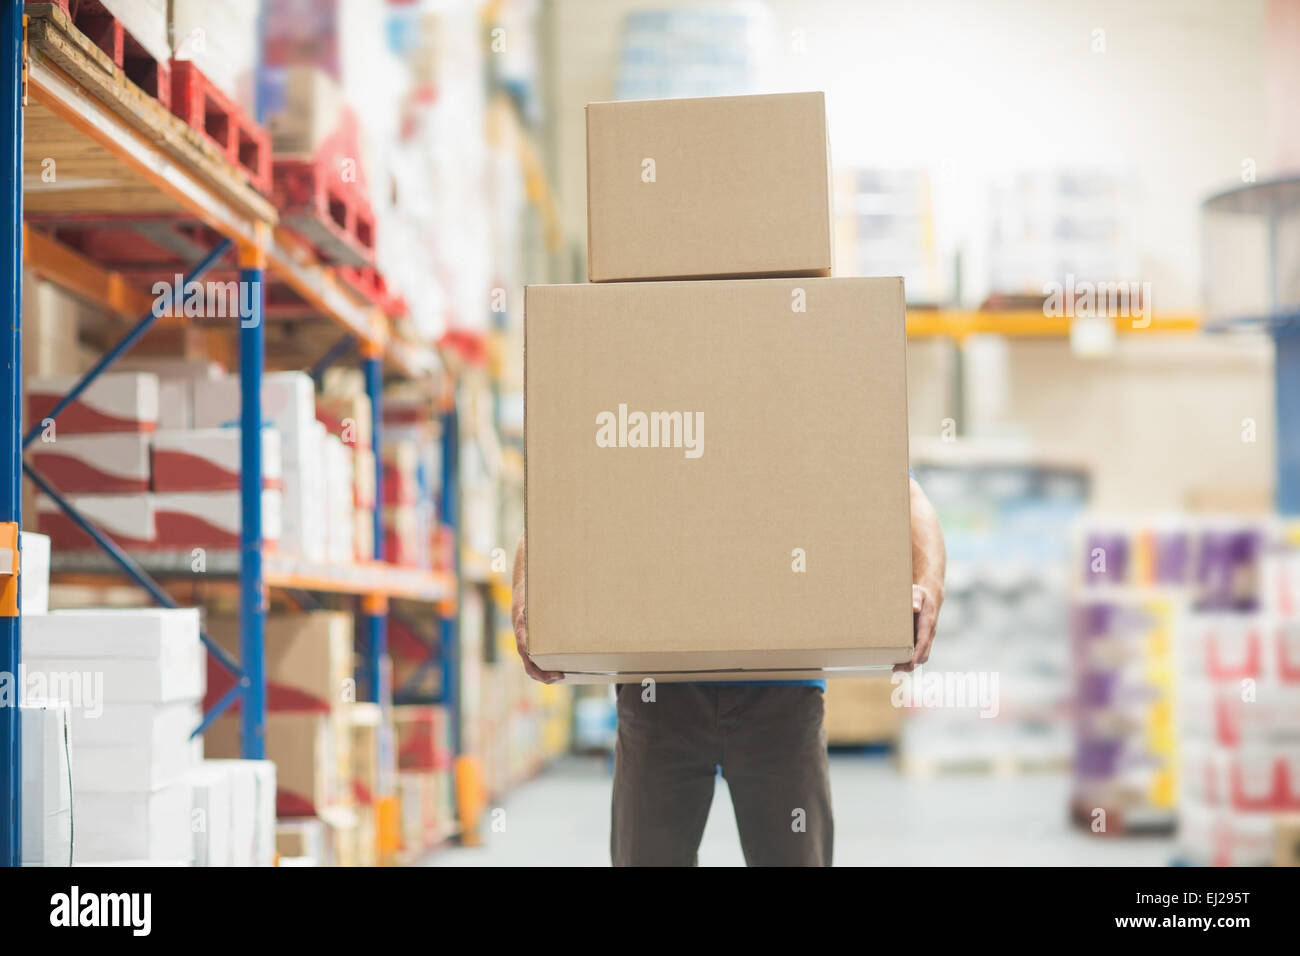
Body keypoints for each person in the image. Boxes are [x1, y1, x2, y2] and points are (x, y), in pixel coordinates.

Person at [511, 474, 945, 866]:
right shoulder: (644, 399)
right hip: (658, 689)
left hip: (781, 689)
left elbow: (901, 489)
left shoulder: (803, 401)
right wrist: (528, 592)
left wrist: (929, 585)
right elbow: (563, 490)